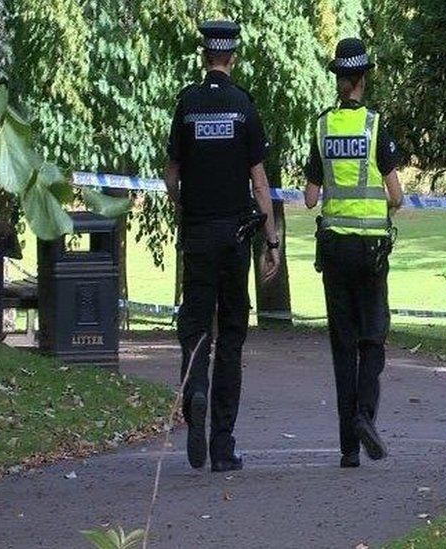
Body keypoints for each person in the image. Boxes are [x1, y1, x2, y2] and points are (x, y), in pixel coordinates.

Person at [164, 20, 281, 472]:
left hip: (198, 235)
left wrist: (182, 207)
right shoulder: (243, 106)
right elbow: (260, 183)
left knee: (195, 329)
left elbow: (171, 173)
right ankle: (222, 445)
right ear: (232, 57)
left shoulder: (187, 105)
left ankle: (195, 392)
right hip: (235, 239)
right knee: (231, 337)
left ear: (204, 55)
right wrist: (271, 240)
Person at [303, 38, 404, 468]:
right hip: (370, 250)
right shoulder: (374, 127)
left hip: (334, 249)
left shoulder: (322, 127)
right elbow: (396, 196)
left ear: (339, 80)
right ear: (362, 79)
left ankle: (348, 449)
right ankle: (365, 414)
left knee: (342, 345)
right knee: (373, 337)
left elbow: (310, 197)